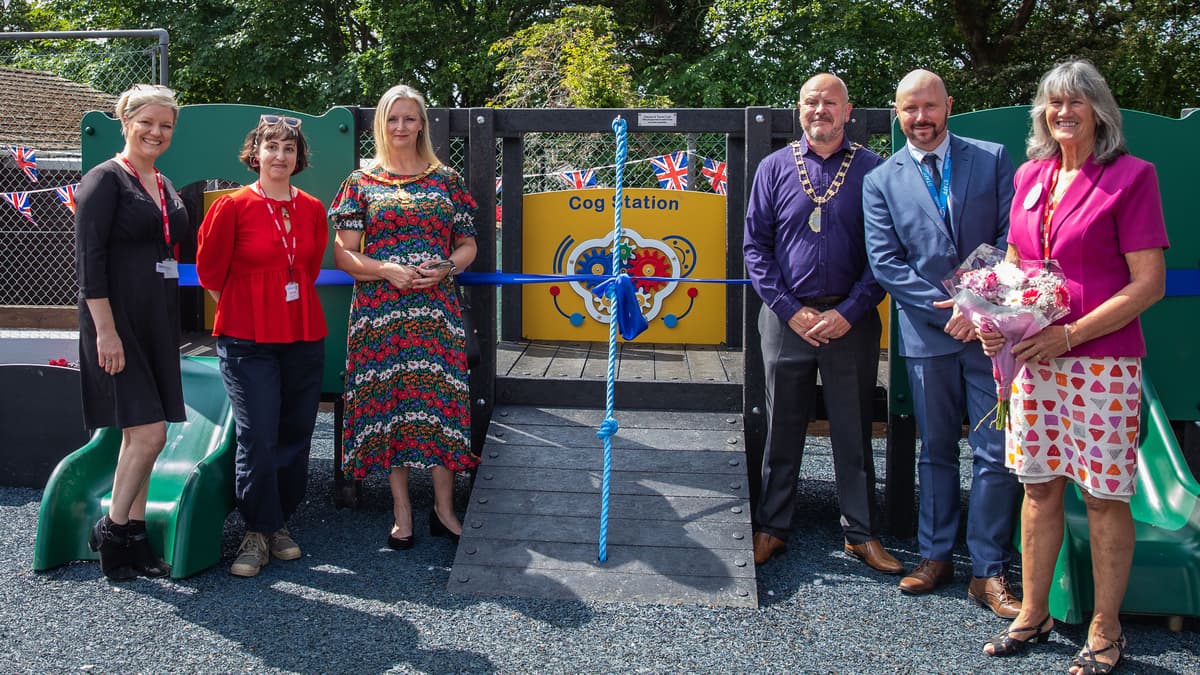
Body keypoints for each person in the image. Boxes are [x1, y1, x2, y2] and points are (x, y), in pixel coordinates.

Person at [979, 60, 1168, 674]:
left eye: (1076, 102)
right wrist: (994, 318)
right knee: (1038, 488)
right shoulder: (1030, 175)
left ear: (1099, 111)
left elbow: (1149, 284)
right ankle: (1033, 613)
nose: (1063, 113)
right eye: (1053, 103)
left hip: (1101, 363)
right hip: (1034, 362)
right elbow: (1015, 263)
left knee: (1105, 496)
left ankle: (1105, 628)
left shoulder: (1132, 177)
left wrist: (1070, 335)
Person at [863, 69, 1023, 617]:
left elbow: (1010, 239)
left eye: (929, 106)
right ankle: (934, 556)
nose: (921, 118)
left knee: (994, 452)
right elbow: (886, 263)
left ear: (948, 105)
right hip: (927, 334)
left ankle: (989, 570)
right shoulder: (880, 180)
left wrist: (974, 307)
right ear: (897, 113)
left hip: (989, 333)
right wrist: (948, 309)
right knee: (934, 449)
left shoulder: (992, 158)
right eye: (910, 109)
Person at [744, 73, 901, 574]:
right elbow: (755, 248)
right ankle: (772, 526)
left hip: (851, 321)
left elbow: (884, 254)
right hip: (785, 316)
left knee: (853, 426)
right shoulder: (773, 168)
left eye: (830, 102)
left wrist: (848, 312)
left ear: (847, 111)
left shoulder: (874, 171)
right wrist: (790, 310)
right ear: (799, 109)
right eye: (811, 102)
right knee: (781, 426)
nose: (820, 110)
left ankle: (861, 532)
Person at [328, 84, 478, 550]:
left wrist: (448, 266)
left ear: (421, 125)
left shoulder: (447, 179)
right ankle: (401, 510)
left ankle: (444, 509)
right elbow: (344, 255)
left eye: (409, 118)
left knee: (440, 404)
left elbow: (468, 244)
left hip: (436, 312)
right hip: (380, 313)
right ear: (381, 124)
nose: (400, 126)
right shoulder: (361, 181)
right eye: (392, 118)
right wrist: (385, 270)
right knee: (390, 404)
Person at [196, 115, 328, 577]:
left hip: (302, 333)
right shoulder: (230, 207)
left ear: (299, 157)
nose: (280, 156)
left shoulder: (312, 208)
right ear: (255, 154)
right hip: (247, 339)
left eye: (289, 149)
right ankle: (256, 528)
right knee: (256, 434)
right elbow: (210, 273)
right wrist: (247, 309)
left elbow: (309, 269)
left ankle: (278, 524)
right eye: (271, 147)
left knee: (295, 431)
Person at [75, 84, 188, 581]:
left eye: (166, 125)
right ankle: (113, 529)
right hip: (116, 324)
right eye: (147, 122)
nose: (156, 132)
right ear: (126, 122)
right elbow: (89, 263)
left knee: (139, 433)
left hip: (155, 322)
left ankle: (136, 536)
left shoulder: (162, 183)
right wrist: (106, 332)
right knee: (149, 433)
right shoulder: (104, 180)